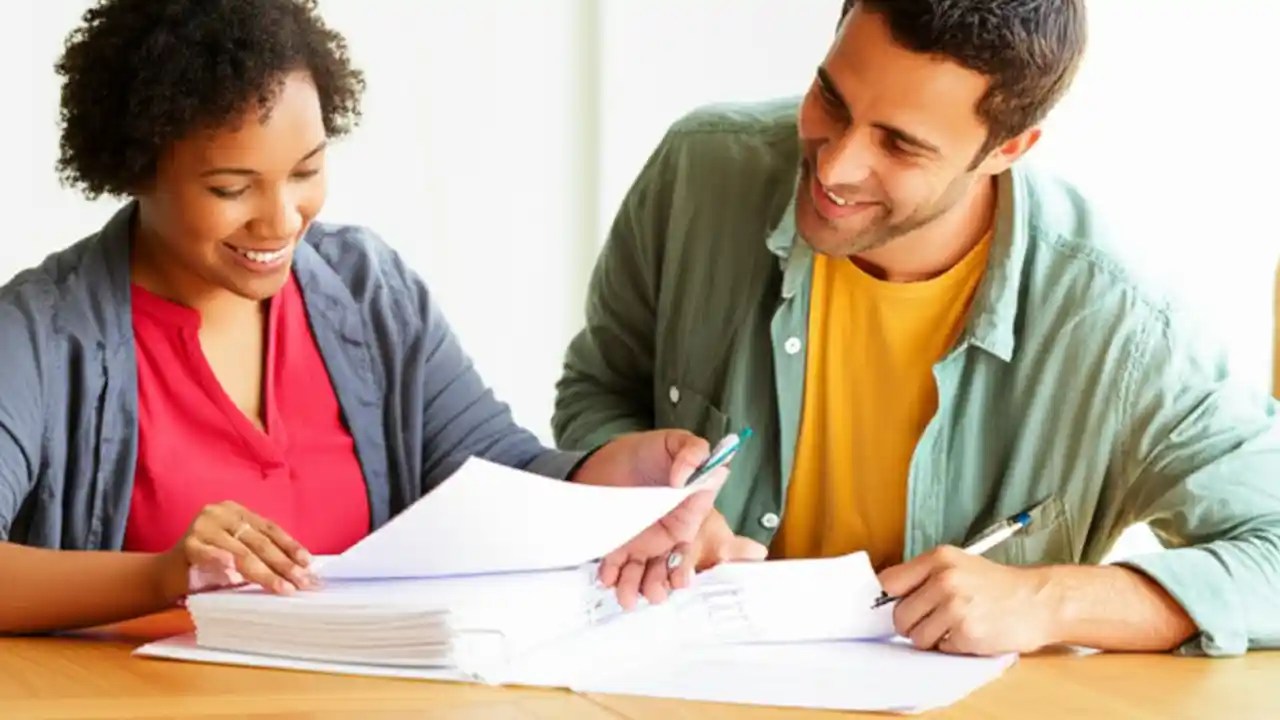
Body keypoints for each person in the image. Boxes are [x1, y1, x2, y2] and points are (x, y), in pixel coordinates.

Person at [554, 0, 1280, 657]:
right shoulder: (699, 173)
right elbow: (599, 388)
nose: (836, 164)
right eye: (830, 100)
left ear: (1007, 149)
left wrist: (1047, 600)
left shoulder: (1122, 327)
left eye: (900, 145)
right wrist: (652, 502)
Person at [0, 0, 724, 636]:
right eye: (231, 188)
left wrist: (613, 477)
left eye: (307, 171)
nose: (282, 221)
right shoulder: (40, 333)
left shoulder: (369, 294)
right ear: (135, 167)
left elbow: (496, 473)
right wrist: (161, 575)